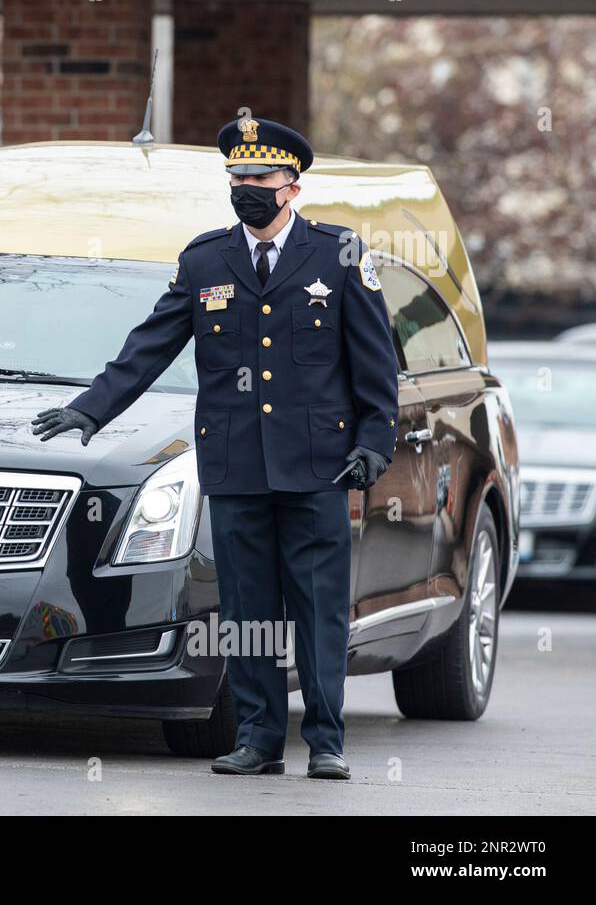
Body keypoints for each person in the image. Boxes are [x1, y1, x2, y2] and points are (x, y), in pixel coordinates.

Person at [31, 117, 400, 780]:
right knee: (248, 610)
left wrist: (376, 440)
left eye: (258, 179)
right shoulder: (205, 259)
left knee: (316, 607)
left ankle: (325, 740)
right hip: (235, 467)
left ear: (292, 186)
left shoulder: (340, 254)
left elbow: (373, 361)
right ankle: (258, 738)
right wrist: (90, 408)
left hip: (318, 466)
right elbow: (152, 343)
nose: (246, 189)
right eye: (237, 179)